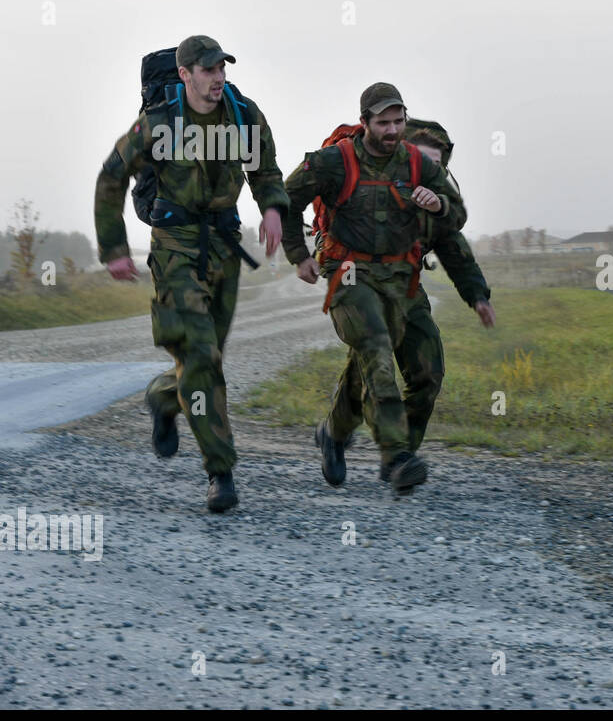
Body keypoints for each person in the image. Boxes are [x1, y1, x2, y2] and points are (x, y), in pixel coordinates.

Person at [94, 35, 288, 512]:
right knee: (200, 356)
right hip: (176, 249)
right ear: (185, 75)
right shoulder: (159, 123)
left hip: (223, 248)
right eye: (207, 69)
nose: (217, 77)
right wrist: (115, 248)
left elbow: (265, 171)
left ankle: (164, 397)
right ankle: (220, 472)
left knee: (208, 358)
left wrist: (273, 209)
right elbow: (112, 176)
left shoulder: (243, 114)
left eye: (221, 67)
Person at [281, 84, 466, 495]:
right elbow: (287, 197)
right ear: (364, 122)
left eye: (399, 121)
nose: (393, 129)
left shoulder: (416, 162)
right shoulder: (335, 161)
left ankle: (335, 432)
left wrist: (438, 205)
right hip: (346, 272)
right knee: (377, 350)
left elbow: (457, 214)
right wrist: (298, 255)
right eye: (383, 122)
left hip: (399, 279)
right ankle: (397, 456)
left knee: (424, 370)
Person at [319, 119, 496, 474]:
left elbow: (452, 245)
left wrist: (477, 295)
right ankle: (388, 453)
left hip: (406, 288)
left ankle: (391, 453)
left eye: (437, 167)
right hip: (359, 283)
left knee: (427, 372)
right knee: (375, 362)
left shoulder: (434, 201)